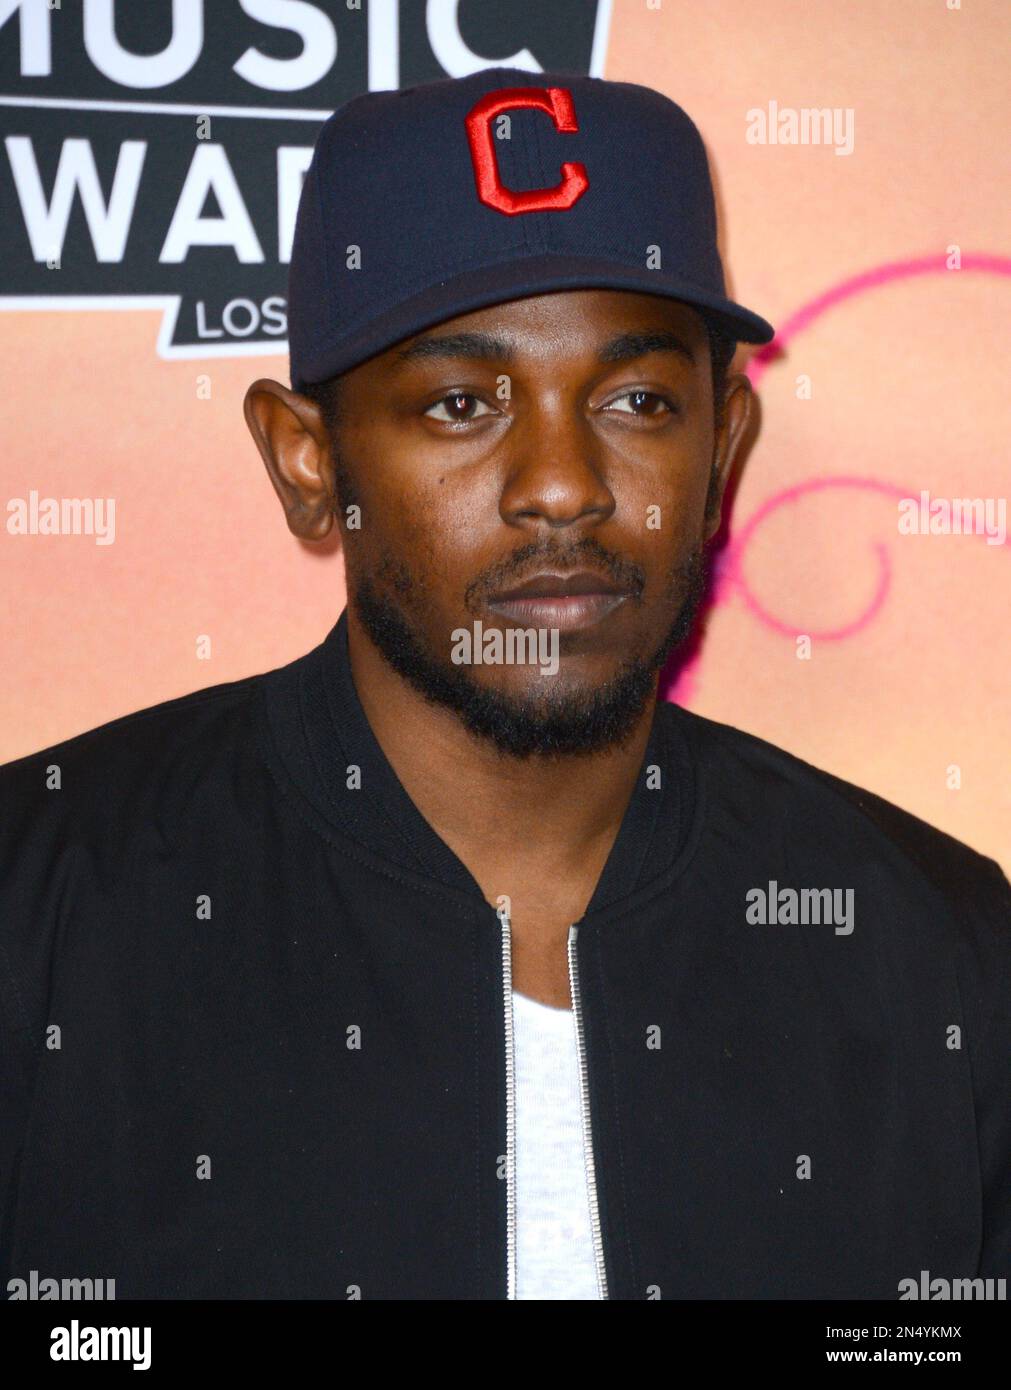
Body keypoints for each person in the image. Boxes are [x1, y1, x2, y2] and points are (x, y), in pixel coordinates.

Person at [2, 68, 1008, 1302]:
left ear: (722, 451)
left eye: (637, 399)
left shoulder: (939, 951)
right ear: (309, 461)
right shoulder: (37, 909)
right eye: (462, 403)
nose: (561, 483)